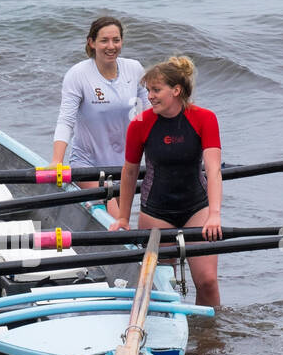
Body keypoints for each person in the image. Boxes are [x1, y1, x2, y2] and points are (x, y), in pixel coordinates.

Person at [110, 56, 222, 307]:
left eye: (156, 90)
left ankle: (211, 337)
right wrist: (123, 218)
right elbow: (128, 173)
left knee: (208, 282)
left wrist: (215, 214)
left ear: (176, 90)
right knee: (160, 287)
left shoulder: (205, 118)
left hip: (198, 209)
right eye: (148, 90)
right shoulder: (140, 123)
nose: (150, 96)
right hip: (156, 212)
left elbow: (213, 170)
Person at [52, 16, 149, 189]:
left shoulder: (134, 69)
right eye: (104, 41)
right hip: (86, 165)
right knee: (114, 216)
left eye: (116, 40)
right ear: (92, 42)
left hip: (124, 166)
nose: (111, 46)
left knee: (122, 216)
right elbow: (66, 120)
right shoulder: (78, 75)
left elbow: (147, 118)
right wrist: (57, 162)